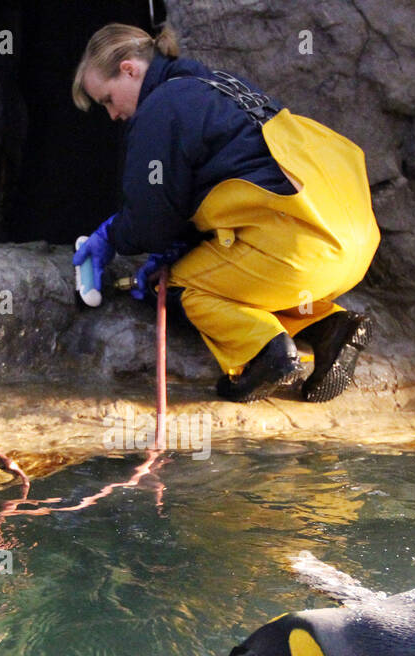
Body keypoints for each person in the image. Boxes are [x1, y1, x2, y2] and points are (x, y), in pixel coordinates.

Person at [71, 23, 380, 402]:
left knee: (175, 289)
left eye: (107, 99)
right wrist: (181, 244)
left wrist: (111, 236)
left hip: (297, 252)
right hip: (350, 246)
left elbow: (152, 222)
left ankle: (267, 353)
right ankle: (328, 327)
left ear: (130, 69)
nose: (113, 115)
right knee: (230, 277)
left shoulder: (160, 109)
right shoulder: (218, 85)